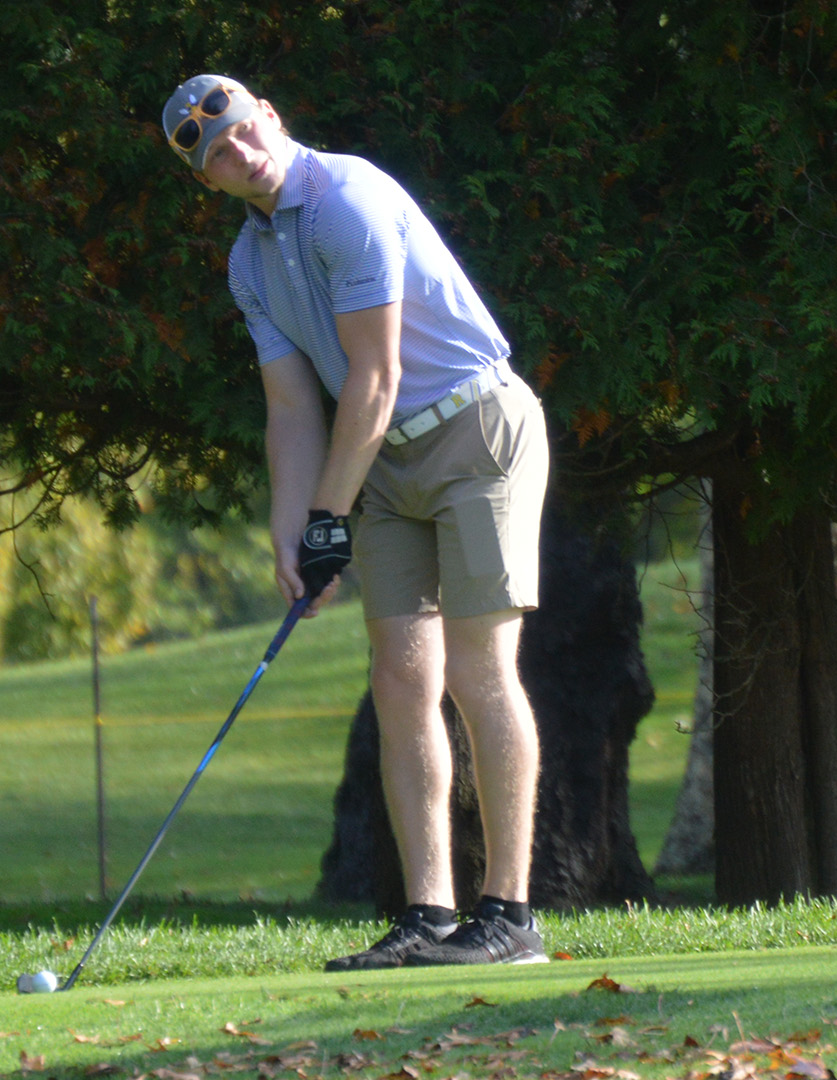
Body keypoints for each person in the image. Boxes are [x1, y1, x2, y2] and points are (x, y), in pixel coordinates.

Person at [160, 75, 551, 968]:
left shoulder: (345, 198)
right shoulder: (248, 263)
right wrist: (290, 525)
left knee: (480, 667)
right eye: (213, 155)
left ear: (269, 114)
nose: (235, 153)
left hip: (476, 430)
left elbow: (372, 381)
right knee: (400, 678)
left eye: (237, 130)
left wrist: (330, 517)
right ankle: (430, 916)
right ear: (207, 179)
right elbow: (293, 407)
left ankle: (512, 917)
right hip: (385, 465)